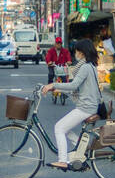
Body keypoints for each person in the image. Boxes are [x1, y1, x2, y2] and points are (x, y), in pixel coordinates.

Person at [41, 38, 103, 169]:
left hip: (86, 108)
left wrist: (53, 84)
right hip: (91, 106)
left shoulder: (85, 67)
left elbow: (74, 85)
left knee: (59, 128)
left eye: (77, 51)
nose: (75, 54)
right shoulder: (91, 66)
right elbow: (79, 88)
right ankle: (81, 150)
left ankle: (63, 161)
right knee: (65, 128)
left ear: (82, 52)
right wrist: (58, 89)